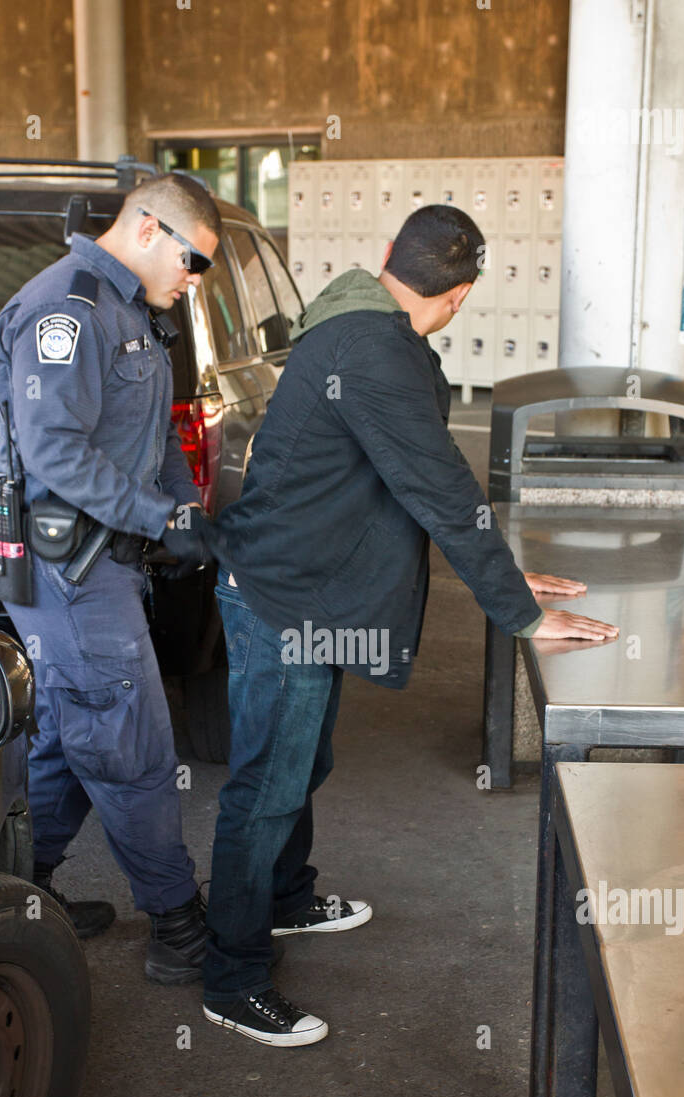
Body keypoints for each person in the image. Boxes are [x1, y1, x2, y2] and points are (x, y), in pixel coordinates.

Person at [199, 203, 618, 1048]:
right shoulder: (375, 350)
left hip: (308, 588)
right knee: (266, 788)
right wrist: (520, 612)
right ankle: (231, 979)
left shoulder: (364, 324)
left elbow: (412, 478)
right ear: (460, 296)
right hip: (281, 597)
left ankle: (285, 900)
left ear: (391, 254)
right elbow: (441, 489)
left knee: (301, 763)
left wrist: (506, 576)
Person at [0, 173, 219, 984]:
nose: (195, 279)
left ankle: (16, 896)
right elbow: (54, 453)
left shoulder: (132, 312)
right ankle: (178, 925)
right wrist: (155, 518)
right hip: (67, 568)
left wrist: (182, 511)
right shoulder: (68, 310)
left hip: (98, 562)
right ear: (149, 228)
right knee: (130, 740)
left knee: (70, 733)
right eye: (194, 261)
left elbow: (154, 436)